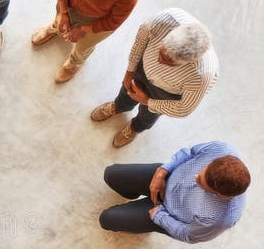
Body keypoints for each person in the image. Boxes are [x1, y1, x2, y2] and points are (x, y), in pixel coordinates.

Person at [91, 9, 218, 147]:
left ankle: (135, 128)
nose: (160, 60)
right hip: (143, 68)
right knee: (126, 92)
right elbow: (140, 43)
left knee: (148, 115)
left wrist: (148, 101)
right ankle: (118, 107)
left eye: (169, 61)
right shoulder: (160, 21)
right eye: (162, 52)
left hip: (167, 92)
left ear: (190, 61)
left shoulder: (202, 75)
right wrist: (130, 71)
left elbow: (184, 108)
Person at [99, 140, 250, 243]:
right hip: (166, 177)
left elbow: (188, 234)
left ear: (220, 194)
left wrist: (159, 215)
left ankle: (141, 223)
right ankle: (132, 195)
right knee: (111, 174)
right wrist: (161, 172)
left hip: (167, 213)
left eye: (201, 183)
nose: (196, 177)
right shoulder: (221, 149)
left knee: (106, 219)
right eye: (201, 172)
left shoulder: (220, 219)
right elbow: (189, 152)